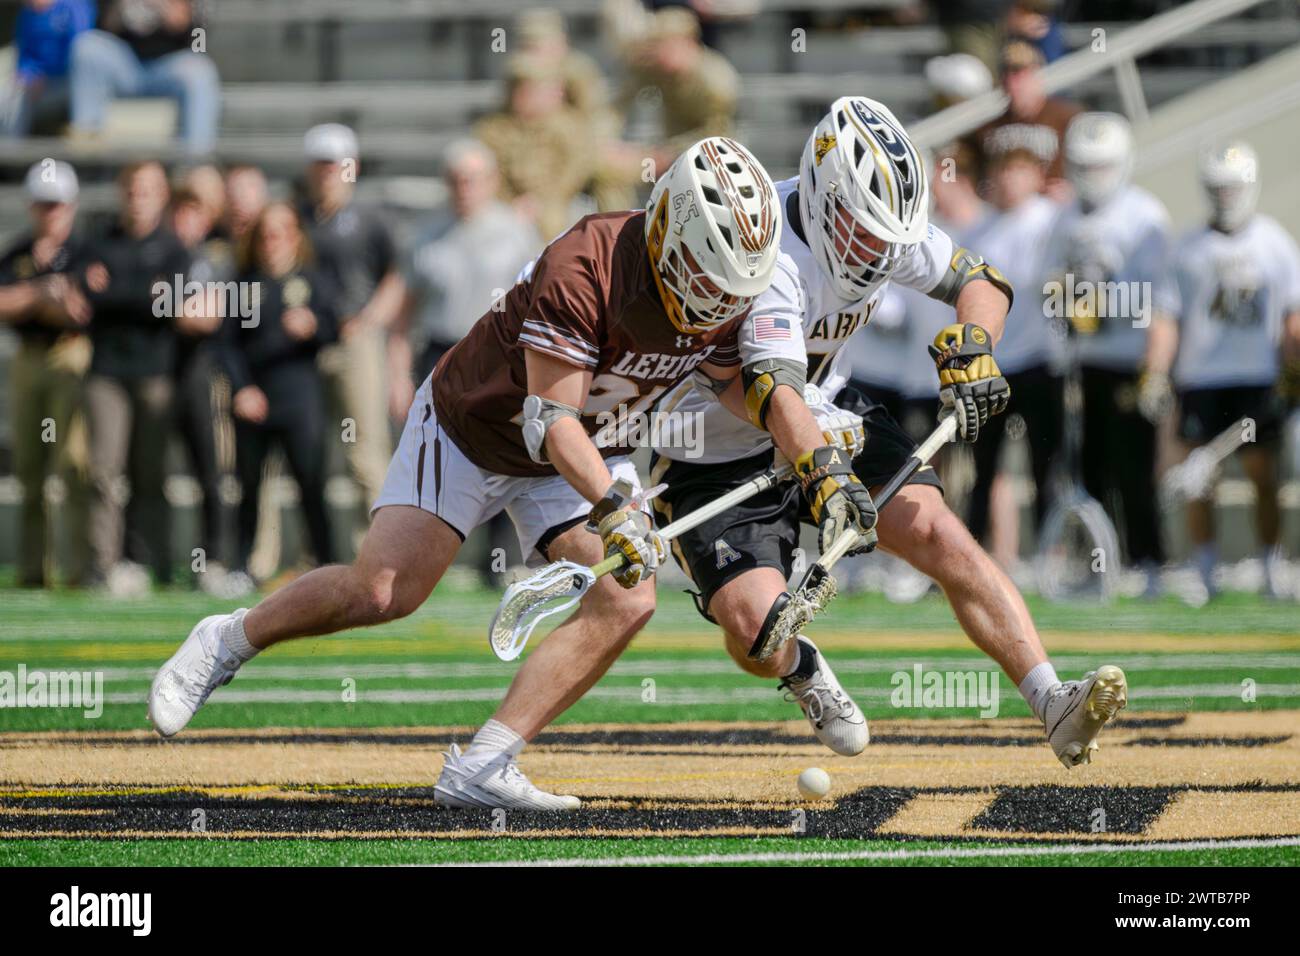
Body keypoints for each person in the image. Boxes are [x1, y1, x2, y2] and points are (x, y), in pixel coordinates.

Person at [146, 137, 784, 812]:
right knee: (386, 592)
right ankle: (228, 639)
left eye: (730, 284)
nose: (719, 300)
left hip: (589, 444)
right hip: (476, 429)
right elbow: (552, 421)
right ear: (669, 231)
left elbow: (730, 384)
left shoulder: (726, 279)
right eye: (708, 275)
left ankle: (484, 763)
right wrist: (617, 508)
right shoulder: (588, 261)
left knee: (628, 596)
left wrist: (807, 431)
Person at [1142, 141, 1300, 603]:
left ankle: (1272, 564)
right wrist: (1155, 370)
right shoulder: (1187, 248)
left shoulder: (1274, 242)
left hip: (1255, 376)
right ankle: (1204, 566)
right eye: (1218, 189)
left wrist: (1292, 365)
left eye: (1232, 189)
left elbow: (1293, 314)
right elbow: (1166, 317)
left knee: (1262, 475)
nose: (1226, 198)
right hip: (1202, 378)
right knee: (1199, 477)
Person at [1041, 113, 1171, 597]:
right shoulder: (1064, 217)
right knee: (1085, 466)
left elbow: (1154, 302)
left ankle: (1149, 562)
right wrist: (1071, 307)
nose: (1092, 177)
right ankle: (1098, 563)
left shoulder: (1145, 216)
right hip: (1080, 362)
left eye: (1101, 167)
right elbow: (1048, 287)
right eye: (1084, 167)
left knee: (1133, 468)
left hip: (1127, 361)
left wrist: (1154, 369)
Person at [81, 160, 194, 592]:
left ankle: (151, 562)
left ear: (162, 195)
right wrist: (143, 292)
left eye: (148, 189)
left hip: (154, 373)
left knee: (150, 473)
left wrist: (114, 293)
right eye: (131, 189)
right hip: (106, 371)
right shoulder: (99, 241)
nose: (138, 197)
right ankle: (102, 566)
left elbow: (167, 304)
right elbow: (87, 298)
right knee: (104, 472)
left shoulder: (173, 248)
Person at [216, 203, 340, 582]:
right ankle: (241, 567)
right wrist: (241, 390)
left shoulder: (312, 282)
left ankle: (326, 564)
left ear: (295, 237)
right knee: (249, 486)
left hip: (299, 396)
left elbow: (334, 329)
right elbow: (226, 345)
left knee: (311, 481)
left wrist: (313, 327)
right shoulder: (243, 285)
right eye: (266, 234)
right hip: (256, 398)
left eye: (281, 233)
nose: (273, 242)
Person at [298, 124, 404, 547]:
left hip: (354, 341)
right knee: (306, 452)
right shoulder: (298, 217)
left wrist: (369, 320)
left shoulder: (369, 218)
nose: (328, 173)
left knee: (364, 450)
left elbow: (396, 276)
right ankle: (312, 553)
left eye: (335, 165)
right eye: (321, 165)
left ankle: (378, 548)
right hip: (303, 346)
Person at [962, 144, 1063, 560]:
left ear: (1036, 175)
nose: (1009, 179)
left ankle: (1049, 555)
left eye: (1018, 169)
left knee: (1046, 465)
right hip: (994, 365)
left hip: (1040, 362)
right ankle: (968, 557)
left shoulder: (1051, 220)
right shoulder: (978, 230)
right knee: (982, 470)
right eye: (1002, 169)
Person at [0, 160, 92, 587]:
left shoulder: (85, 251)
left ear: (70, 207)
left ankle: (75, 568)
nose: (49, 213)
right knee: (30, 467)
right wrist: (40, 293)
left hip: (70, 354)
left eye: (56, 205)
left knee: (72, 462)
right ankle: (33, 569)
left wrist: (35, 300)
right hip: (29, 357)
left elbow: (80, 309)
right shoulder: (18, 252)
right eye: (43, 205)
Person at [168, 183, 235, 587]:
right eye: (180, 212)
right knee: (146, 471)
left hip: (202, 372)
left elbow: (208, 316)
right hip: (157, 372)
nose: (185, 222)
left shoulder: (215, 261)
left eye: (194, 213)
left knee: (211, 469)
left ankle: (213, 560)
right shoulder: (161, 254)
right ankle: (147, 560)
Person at [68, 0, 220, 154]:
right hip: (123, 61)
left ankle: (195, 163)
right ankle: (88, 157)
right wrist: (121, 9)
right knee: (87, 47)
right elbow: (99, 23)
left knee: (200, 70)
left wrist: (184, 20)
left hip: (171, 66)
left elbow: (201, 40)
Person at [475, 55, 595, 242]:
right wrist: (510, 203)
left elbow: (575, 168)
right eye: (518, 90)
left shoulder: (565, 125)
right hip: (507, 203)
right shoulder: (493, 129)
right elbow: (487, 171)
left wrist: (543, 199)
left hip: (553, 201)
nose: (523, 97)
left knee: (553, 224)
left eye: (529, 91)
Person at [618, 6, 738, 173]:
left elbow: (716, 134)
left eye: (665, 45)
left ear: (688, 42)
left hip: (711, 159)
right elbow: (620, 103)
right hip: (665, 155)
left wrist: (668, 153)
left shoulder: (715, 79)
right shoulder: (655, 69)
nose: (658, 52)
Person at [970, 39, 1078, 200]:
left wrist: (1074, 190)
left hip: (1054, 210)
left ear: (1038, 74)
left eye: (1020, 73)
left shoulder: (1067, 118)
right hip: (1006, 214)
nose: (1012, 82)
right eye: (1006, 73)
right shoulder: (987, 127)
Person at [2, 0, 96, 138]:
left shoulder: (75, 5)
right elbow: (25, 56)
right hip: (38, 86)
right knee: (9, 93)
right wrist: (28, 76)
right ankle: (9, 151)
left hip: (73, 83)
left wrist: (46, 76)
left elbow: (81, 50)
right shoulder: (27, 14)